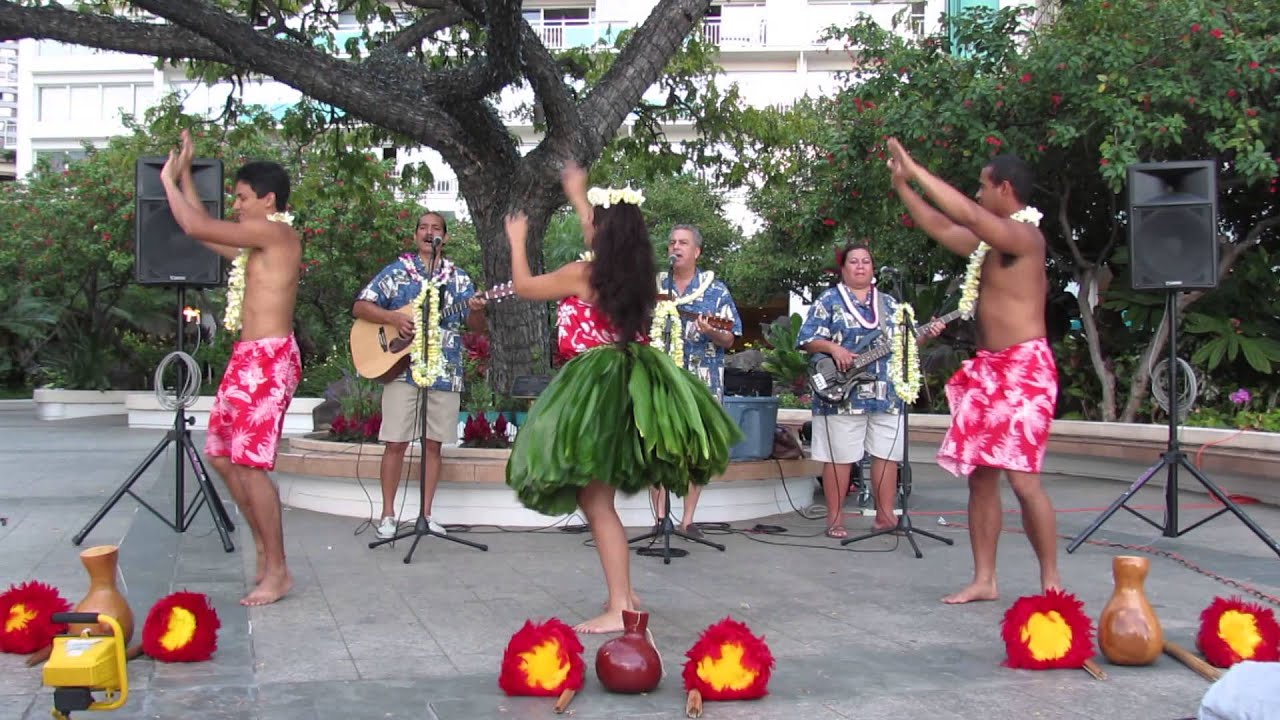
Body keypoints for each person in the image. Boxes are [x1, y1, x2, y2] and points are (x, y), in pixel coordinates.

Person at [504, 162, 741, 634]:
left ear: (602, 233)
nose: (586, 223)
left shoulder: (582, 275)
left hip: (596, 387)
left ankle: (619, 606)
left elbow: (526, 287)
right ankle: (626, 594)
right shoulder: (641, 280)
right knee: (599, 499)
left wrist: (516, 240)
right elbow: (601, 227)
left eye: (592, 218)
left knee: (596, 502)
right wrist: (577, 194)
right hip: (632, 382)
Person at [886, 137, 1060, 604]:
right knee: (982, 476)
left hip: (1024, 369)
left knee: (1023, 479)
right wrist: (903, 185)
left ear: (1005, 189)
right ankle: (985, 579)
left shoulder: (1024, 237)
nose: (979, 193)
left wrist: (917, 169)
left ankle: (1051, 581)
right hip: (989, 370)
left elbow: (968, 214)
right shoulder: (990, 246)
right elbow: (943, 226)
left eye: (983, 186)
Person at [160, 129, 301, 606]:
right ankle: (264, 548)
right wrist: (184, 179)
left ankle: (278, 570)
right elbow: (205, 225)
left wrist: (167, 181)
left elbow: (197, 228)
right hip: (246, 360)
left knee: (251, 465)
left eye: (241, 198)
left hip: (270, 359)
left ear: (268, 199)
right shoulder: (254, 246)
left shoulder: (277, 232)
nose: (236, 206)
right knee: (221, 456)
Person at [353, 212, 486, 541]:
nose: (430, 233)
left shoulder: (458, 279)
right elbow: (360, 306)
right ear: (416, 236)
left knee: (434, 445)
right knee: (395, 442)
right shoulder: (397, 272)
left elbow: (476, 328)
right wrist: (394, 317)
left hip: (444, 369)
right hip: (402, 369)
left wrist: (479, 309)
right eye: (424, 228)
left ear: (445, 237)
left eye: (436, 228)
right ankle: (387, 515)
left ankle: (426, 515)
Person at [796, 242, 940, 539]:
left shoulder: (889, 304)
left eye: (866, 261)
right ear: (843, 268)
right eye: (854, 262)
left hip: (886, 392)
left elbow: (904, 344)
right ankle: (835, 519)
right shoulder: (829, 300)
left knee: (886, 455)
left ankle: (885, 518)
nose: (861, 266)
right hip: (842, 392)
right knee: (840, 457)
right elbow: (807, 339)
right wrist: (834, 348)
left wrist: (926, 335)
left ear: (873, 268)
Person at [649, 224, 742, 539]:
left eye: (683, 243)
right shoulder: (656, 286)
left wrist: (711, 331)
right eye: (672, 242)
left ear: (697, 251)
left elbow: (730, 337)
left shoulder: (716, 291)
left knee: (697, 452)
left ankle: (688, 520)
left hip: (703, 381)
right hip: (661, 380)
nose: (676, 247)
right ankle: (661, 518)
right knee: (659, 447)